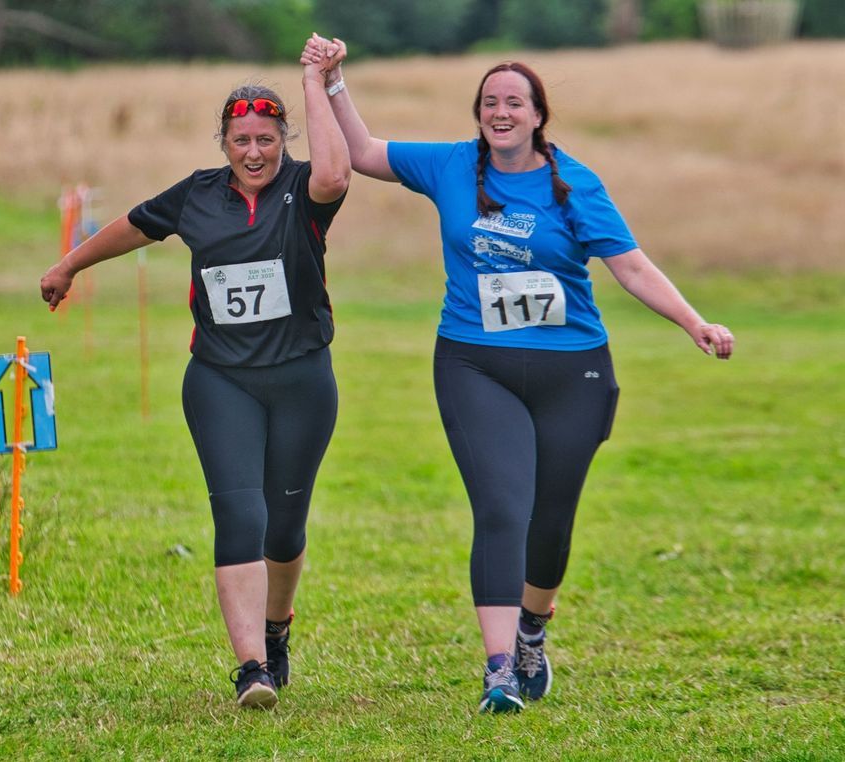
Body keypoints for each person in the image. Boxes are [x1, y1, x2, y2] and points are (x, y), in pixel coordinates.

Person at [301, 35, 734, 713]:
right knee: (502, 509)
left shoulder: (576, 184)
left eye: (514, 102)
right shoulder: (450, 165)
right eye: (489, 101)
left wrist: (694, 322)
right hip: (476, 363)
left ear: (537, 116)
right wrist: (330, 82)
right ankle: (499, 667)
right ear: (479, 113)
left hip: (573, 371)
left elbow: (632, 267)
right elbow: (362, 152)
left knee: (550, 523)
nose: (500, 111)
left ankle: (533, 630)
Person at [39, 59, 351, 709]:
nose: (254, 151)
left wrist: (315, 85)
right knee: (240, 514)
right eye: (241, 141)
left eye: (267, 138)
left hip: (301, 381)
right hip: (220, 380)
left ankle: (276, 626)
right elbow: (134, 225)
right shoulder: (197, 194)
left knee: (284, 529)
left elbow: (337, 171)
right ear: (224, 145)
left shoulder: (305, 190)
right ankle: (252, 669)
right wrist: (69, 265)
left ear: (284, 139)